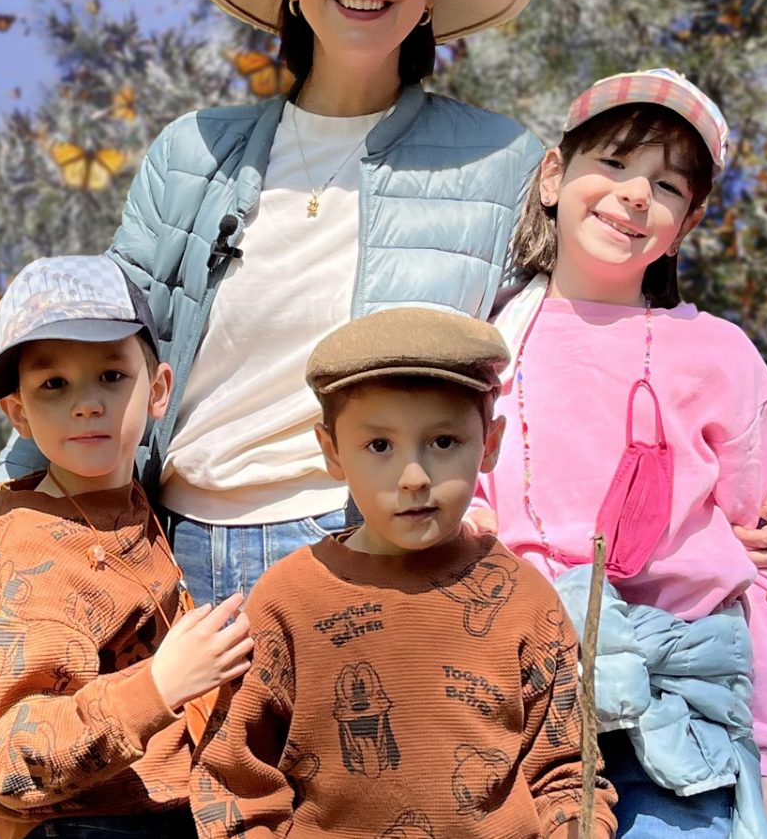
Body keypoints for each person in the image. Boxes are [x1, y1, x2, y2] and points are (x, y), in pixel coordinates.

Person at [0, 0, 767, 685]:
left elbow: (591, 336)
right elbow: (91, 356)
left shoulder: (498, 164)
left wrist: (750, 475)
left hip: (374, 546)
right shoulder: (194, 155)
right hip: (168, 553)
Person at [478, 70, 767, 839]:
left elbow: (759, 565)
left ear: (686, 222)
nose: (635, 195)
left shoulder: (721, 357)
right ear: (555, 176)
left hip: (682, 726)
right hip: (518, 712)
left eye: (665, 185)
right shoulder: (487, 345)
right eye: (617, 164)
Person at [198, 307, 614, 839]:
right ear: (331, 451)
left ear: (489, 445)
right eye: (379, 446)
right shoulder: (288, 601)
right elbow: (236, 780)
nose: (414, 477)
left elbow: (564, 777)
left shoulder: (524, 602)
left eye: (443, 443)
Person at [0, 255, 253, 839]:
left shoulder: (120, 499)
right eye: (53, 384)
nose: (86, 403)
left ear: (159, 390)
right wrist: (159, 687)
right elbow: (7, 753)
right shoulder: (35, 556)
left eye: (112, 377)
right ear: (18, 413)